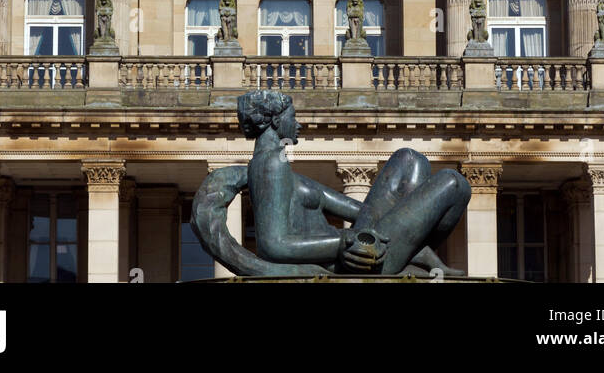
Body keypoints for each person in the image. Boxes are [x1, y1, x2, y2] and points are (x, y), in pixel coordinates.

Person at [192, 91, 470, 277]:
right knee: (453, 183)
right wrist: (343, 243)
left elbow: (349, 207)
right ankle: (409, 251)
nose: (298, 124)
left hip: (362, 243)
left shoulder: (280, 165)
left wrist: (401, 220)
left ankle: (413, 248)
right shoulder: (269, 165)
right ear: (276, 120)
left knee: (410, 159)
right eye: (293, 117)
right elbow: (272, 245)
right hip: (357, 261)